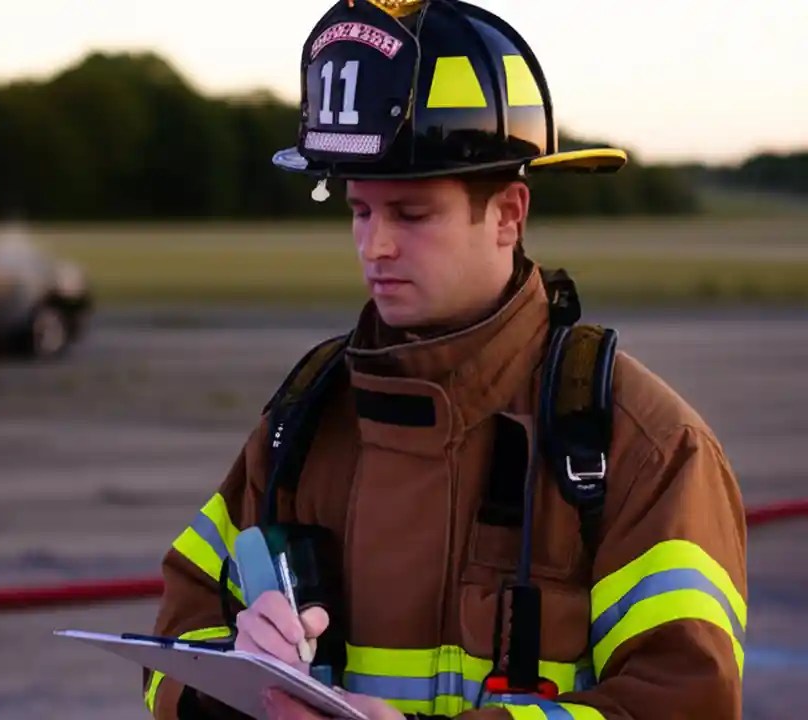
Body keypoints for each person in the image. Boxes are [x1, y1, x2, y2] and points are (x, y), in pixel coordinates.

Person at [143, 1, 747, 718]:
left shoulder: (639, 446)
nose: (375, 248)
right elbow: (176, 639)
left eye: (412, 214)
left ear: (509, 214)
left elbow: (687, 702)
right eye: (360, 211)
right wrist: (243, 680)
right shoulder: (303, 422)